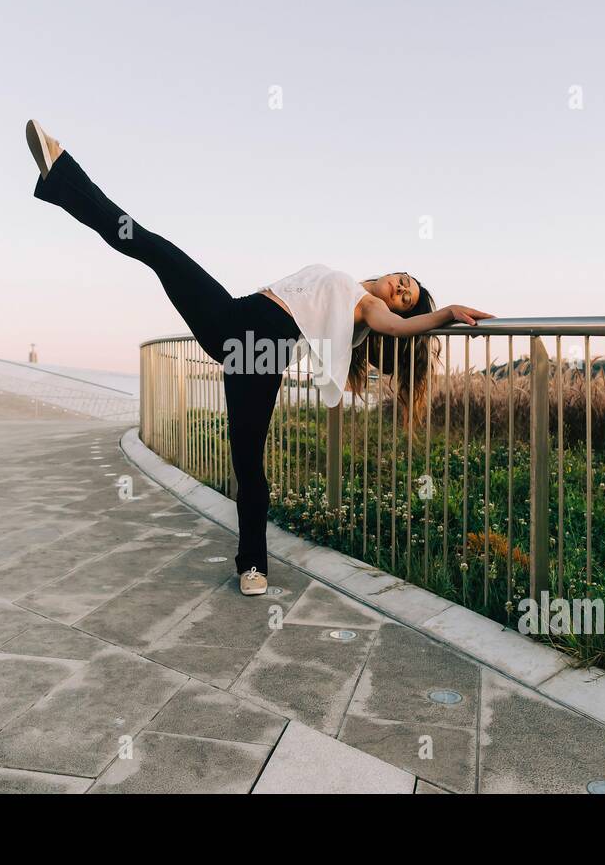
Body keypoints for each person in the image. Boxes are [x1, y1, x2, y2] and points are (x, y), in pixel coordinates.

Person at [25, 120, 492, 596]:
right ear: (393, 270)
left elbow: (399, 328)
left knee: (247, 461)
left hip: (258, 355)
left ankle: (253, 566)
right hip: (231, 317)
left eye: (406, 297)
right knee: (152, 247)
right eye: (404, 280)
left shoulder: (367, 307)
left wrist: (446, 314)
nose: (401, 289)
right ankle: (60, 175)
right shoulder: (347, 281)